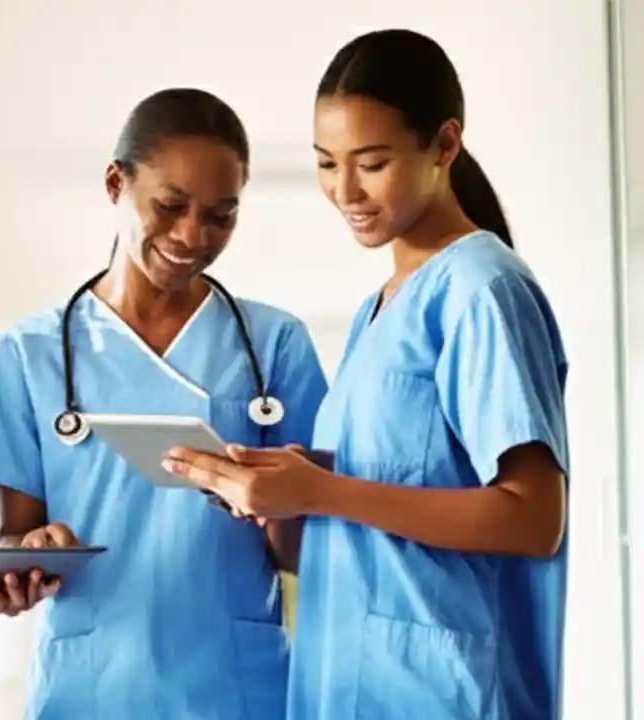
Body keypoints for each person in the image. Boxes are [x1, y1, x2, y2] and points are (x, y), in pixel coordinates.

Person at [163, 29, 570, 720]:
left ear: (444, 145)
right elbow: (360, 527)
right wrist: (285, 500)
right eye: (326, 164)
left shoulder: (481, 289)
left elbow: (534, 518)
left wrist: (324, 489)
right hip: (348, 683)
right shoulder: (375, 312)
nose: (344, 190)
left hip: (447, 693)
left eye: (372, 162)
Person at [0, 87, 329, 719]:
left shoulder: (275, 345)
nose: (193, 234)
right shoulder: (32, 352)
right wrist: (23, 564)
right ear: (114, 184)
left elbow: (304, 551)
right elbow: (17, 537)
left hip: (236, 687)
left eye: (220, 215)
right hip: (90, 688)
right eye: (170, 204)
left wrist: (274, 506)